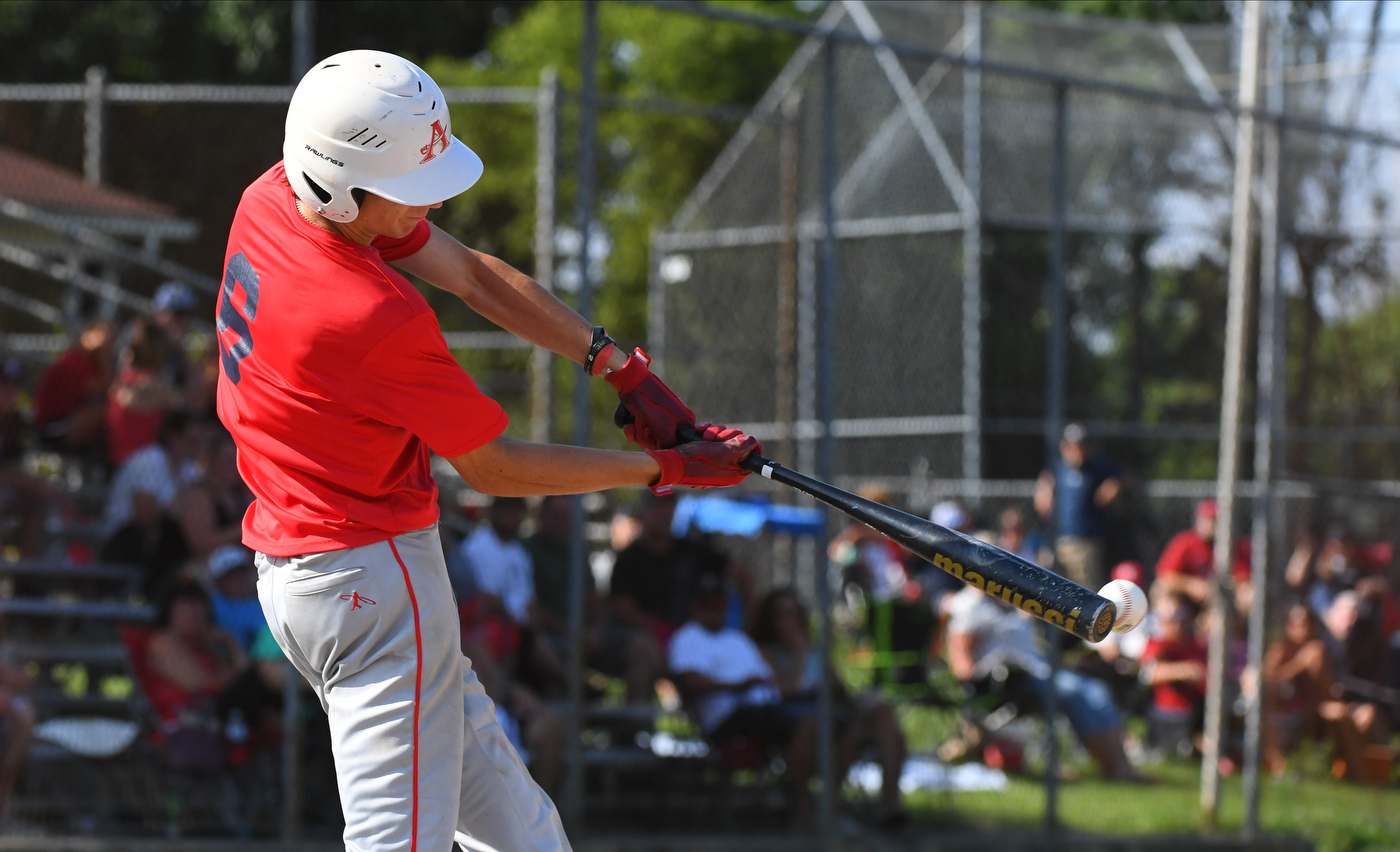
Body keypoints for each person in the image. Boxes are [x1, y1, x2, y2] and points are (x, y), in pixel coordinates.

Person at [219, 51, 758, 852]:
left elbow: (472, 276)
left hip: (319, 569)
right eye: (408, 190)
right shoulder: (366, 314)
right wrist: (662, 468)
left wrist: (619, 367)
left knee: (524, 838)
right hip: (370, 582)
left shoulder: (277, 197)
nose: (429, 202)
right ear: (343, 182)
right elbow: (493, 465)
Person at [943, 583, 1140, 780]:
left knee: (1095, 690)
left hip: (1037, 672)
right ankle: (1116, 768)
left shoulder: (1010, 598)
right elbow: (962, 662)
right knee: (1075, 690)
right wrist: (976, 686)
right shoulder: (970, 605)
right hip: (1004, 682)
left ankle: (1117, 765)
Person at [749, 588, 907, 826]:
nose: (789, 620)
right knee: (816, 727)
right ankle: (811, 808)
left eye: (794, 613)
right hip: (791, 716)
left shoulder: (815, 650)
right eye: (780, 614)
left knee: (881, 717)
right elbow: (785, 690)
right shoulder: (766, 652)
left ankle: (889, 804)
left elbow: (840, 690)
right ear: (769, 619)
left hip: (830, 712)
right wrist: (799, 653)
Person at [668, 574, 816, 824]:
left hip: (765, 708)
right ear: (694, 606)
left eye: (719, 602)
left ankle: (821, 807)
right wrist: (738, 685)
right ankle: (804, 809)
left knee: (829, 718)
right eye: (708, 603)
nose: (715, 608)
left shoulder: (736, 638)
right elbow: (690, 683)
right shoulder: (688, 637)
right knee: (806, 722)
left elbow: (771, 681)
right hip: (728, 718)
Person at [610, 492, 731, 649]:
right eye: (659, 508)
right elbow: (622, 607)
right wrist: (656, 627)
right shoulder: (629, 558)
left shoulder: (690, 550)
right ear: (645, 512)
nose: (664, 514)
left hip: (694, 633)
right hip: (647, 635)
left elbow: (739, 574)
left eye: (669, 508)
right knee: (643, 649)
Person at [1034, 423, 1121, 590]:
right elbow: (1045, 484)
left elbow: (1124, 475)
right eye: (1071, 446)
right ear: (1064, 447)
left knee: (1085, 587)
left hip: (1086, 541)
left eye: (1080, 446)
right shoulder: (1057, 468)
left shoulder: (1097, 468)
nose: (1076, 451)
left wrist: (1114, 485)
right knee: (1051, 586)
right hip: (1057, 539)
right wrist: (1044, 488)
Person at [102, 411, 200, 539]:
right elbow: (144, 516)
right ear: (173, 437)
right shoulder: (149, 460)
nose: (197, 447)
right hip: (124, 538)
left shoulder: (190, 469)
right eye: (191, 441)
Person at [1262, 603, 1332, 776]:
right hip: (1279, 709)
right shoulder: (1279, 649)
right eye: (1295, 624)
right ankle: (1279, 765)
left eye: (1307, 624)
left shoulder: (1317, 650)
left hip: (1309, 709)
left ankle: (1358, 777)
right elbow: (1270, 682)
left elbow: (1324, 692)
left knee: (1339, 716)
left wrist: (1315, 666)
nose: (1302, 629)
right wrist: (1299, 664)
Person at [106, 315, 184, 465]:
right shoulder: (152, 385)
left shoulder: (124, 379)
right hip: (136, 463)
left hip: (128, 460)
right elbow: (186, 405)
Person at [1138, 593, 1207, 756]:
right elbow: (1148, 674)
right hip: (1167, 714)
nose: (1177, 623)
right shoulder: (1158, 644)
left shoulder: (1196, 644)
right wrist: (1182, 671)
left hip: (1197, 710)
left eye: (1180, 615)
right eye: (1170, 616)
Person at [34, 318, 114, 454]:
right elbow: (106, 390)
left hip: (66, 421)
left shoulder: (92, 364)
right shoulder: (76, 358)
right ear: (87, 334)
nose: (106, 343)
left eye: (110, 340)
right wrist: (104, 360)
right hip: (50, 426)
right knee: (104, 412)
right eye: (101, 336)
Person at [1153, 499, 1250, 609]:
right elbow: (1164, 576)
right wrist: (1191, 585)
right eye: (1208, 520)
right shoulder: (1185, 542)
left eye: (1216, 521)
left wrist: (1218, 586)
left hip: (1220, 600)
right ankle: (1167, 625)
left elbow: (1244, 579)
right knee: (1160, 590)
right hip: (1188, 599)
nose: (1212, 525)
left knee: (1248, 595)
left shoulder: (1234, 545)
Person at [178, 430, 253, 563]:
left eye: (234, 460)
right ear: (211, 461)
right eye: (225, 461)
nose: (231, 467)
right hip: (204, 567)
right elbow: (201, 544)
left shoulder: (239, 492)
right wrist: (243, 530)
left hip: (240, 564)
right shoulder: (197, 495)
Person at [207, 545, 266, 652]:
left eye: (240, 574)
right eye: (230, 578)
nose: (238, 581)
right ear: (219, 584)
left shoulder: (265, 592)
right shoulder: (217, 608)